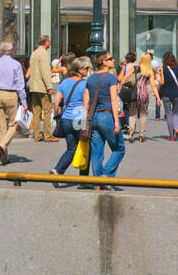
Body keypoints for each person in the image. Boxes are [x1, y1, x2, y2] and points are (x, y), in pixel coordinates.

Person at [0, 41, 29, 165]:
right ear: (11, 51)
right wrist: (24, 102)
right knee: (13, 124)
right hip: (11, 94)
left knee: (1, 125)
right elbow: (20, 85)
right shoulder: (16, 64)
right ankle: (2, 145)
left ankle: (4, 156)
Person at [82, 50, 123, 185]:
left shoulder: (90, 78)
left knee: (96, 153)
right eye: (111, 59)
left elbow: (86, 101)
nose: (114, 61)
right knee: (119, 149)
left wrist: (84, 122)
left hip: (92, 118)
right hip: (107, 116)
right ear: (104, 62)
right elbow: (114, 100)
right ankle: (105, 176)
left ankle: (98, 183)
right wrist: (117, 121)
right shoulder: (111, 78)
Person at [50, 59, 89, 178]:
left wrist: (57, 116)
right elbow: (86, 103)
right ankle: (83, 179)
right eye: (86, 68)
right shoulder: (85, 84)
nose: (88, 71)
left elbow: (56, 102)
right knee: (84, 145)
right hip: (80, 119)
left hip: (66, 118)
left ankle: (57, 170)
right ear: (80, 70)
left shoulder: (65, 82)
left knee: (71, 149)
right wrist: (86, 121)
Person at [28, 35, 56, 142]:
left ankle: (37, 135)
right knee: (47, 110)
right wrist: (49, 86)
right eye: (49, 42)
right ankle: (48, 136)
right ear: (47, 42)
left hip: (34, 86)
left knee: (36, 112)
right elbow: (45, 71)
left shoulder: (34, 53)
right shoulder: (43, 54)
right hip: (42, 86)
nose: (50, 44)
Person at [157, 52, 178, 141]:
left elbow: (162, 82)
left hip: (166, 94)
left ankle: (171, 136)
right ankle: (176, 128)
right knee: (175, 113)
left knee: (168, 114)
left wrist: (157, 76)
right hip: (176, 93)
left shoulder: (163, 68)